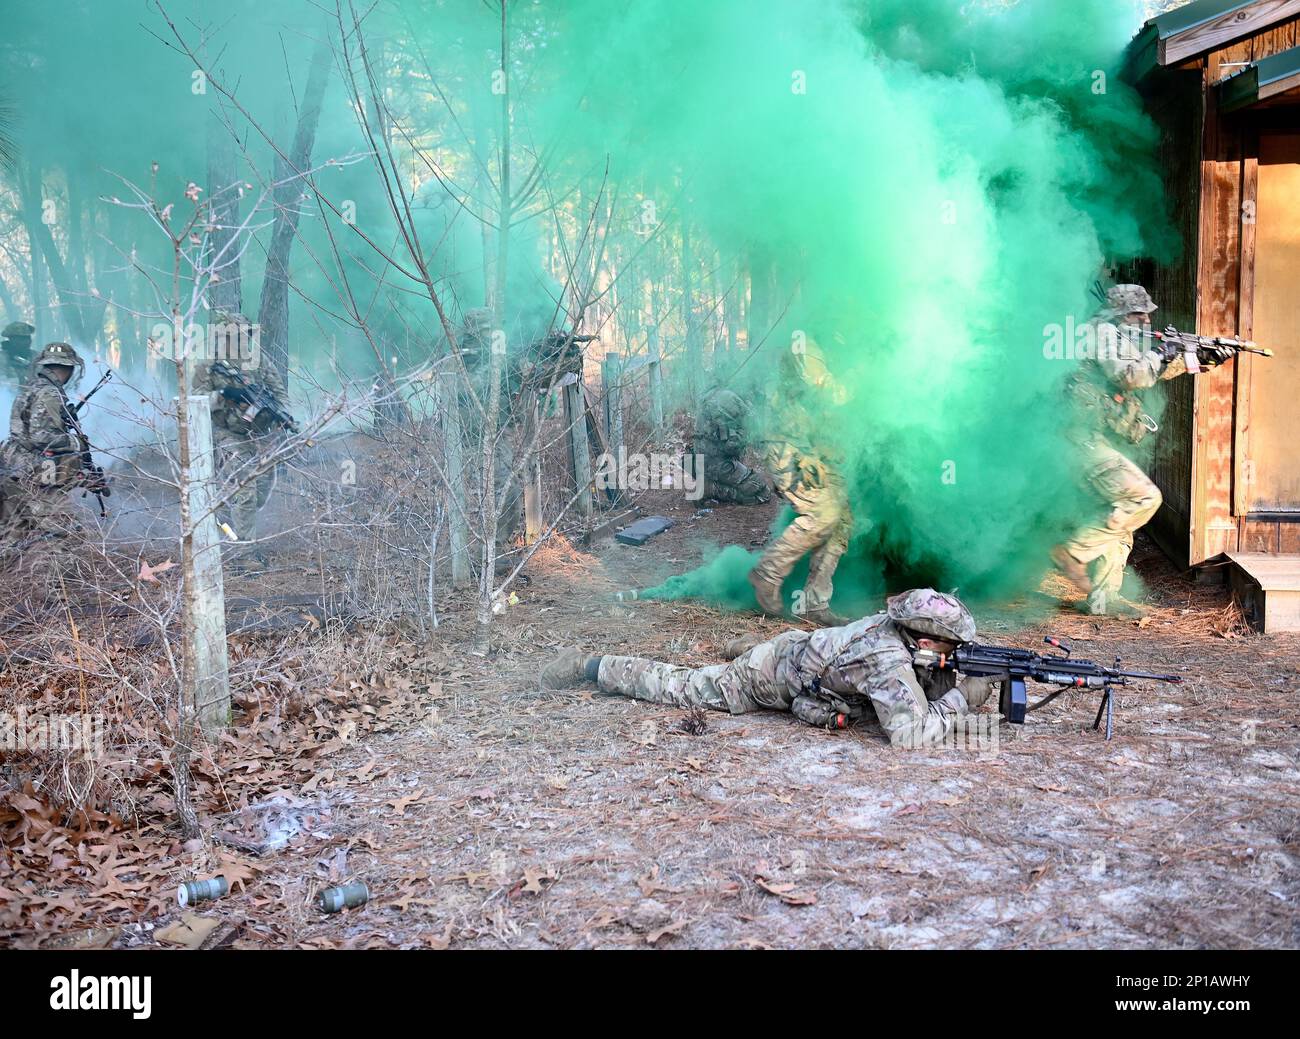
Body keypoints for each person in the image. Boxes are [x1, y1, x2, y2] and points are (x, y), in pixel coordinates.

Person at [542, 588, 995, 747]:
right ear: (923, 637)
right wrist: (962, 698)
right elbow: (910, 734)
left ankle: (743, 647)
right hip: (768, 678)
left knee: (773, 653)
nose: (952, 650)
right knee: (680, 686)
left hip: (800, 653)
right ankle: (590, 664)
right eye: (949, 644)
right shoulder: (888, 661)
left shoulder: (895, 628)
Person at [1052, 284, 1227, 617]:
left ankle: (1103, 599)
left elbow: (1150, 371)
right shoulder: (1101, 332)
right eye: (1138, 313)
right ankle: (1073, 552)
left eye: (1147, 314)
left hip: (1094, 438)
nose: (1146, 321)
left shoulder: (1120, 337)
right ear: (1119, 313)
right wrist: (1164, 352)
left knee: (1119, 520)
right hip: (1078, 439)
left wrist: (1198, 360)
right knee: (1143, 498)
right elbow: (1130, 376)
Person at [748, 337, 853, 625]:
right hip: (790, 446)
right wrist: (860, 383)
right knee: (823, 513)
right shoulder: (804, 342)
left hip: (816, 446)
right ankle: (766, 574)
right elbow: (824, 390)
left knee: (840, 520)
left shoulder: (832, 346)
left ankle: (813, 604)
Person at [191, 311, 292, 570]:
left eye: (243, 335)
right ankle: (245, 552)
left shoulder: (258, 362)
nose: (239, 341)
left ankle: (225, 516)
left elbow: (280, 393)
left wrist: (282, 416)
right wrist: (223, 393)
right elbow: (194, 400)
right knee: (246, 488)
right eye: (232, 336)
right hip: (227, 434)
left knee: (260, 493)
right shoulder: (208, 364)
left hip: (260, 435)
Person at [0, 341, 104, 545]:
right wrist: (76, 442)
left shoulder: (30, 388)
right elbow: (42, 438)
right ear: (67, 368)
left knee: (11, 536)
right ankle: (63, 578)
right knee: (67, 536)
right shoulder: (49, 393)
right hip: (32, 474)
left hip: (13, 469)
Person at [692, 386, 769, 505]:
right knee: (762, 491)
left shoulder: (713, 393)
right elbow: (731, 447)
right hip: (717, 464)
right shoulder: (731, 402)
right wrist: (745, 437)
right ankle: (709, 488)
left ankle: (708, 481)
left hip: (699, 461)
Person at [0, 321, 36, 389]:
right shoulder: (2, 358)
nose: (26, 342)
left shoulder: (37, 357)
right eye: (20, 339)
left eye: (27, 338)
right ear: (11, 340)